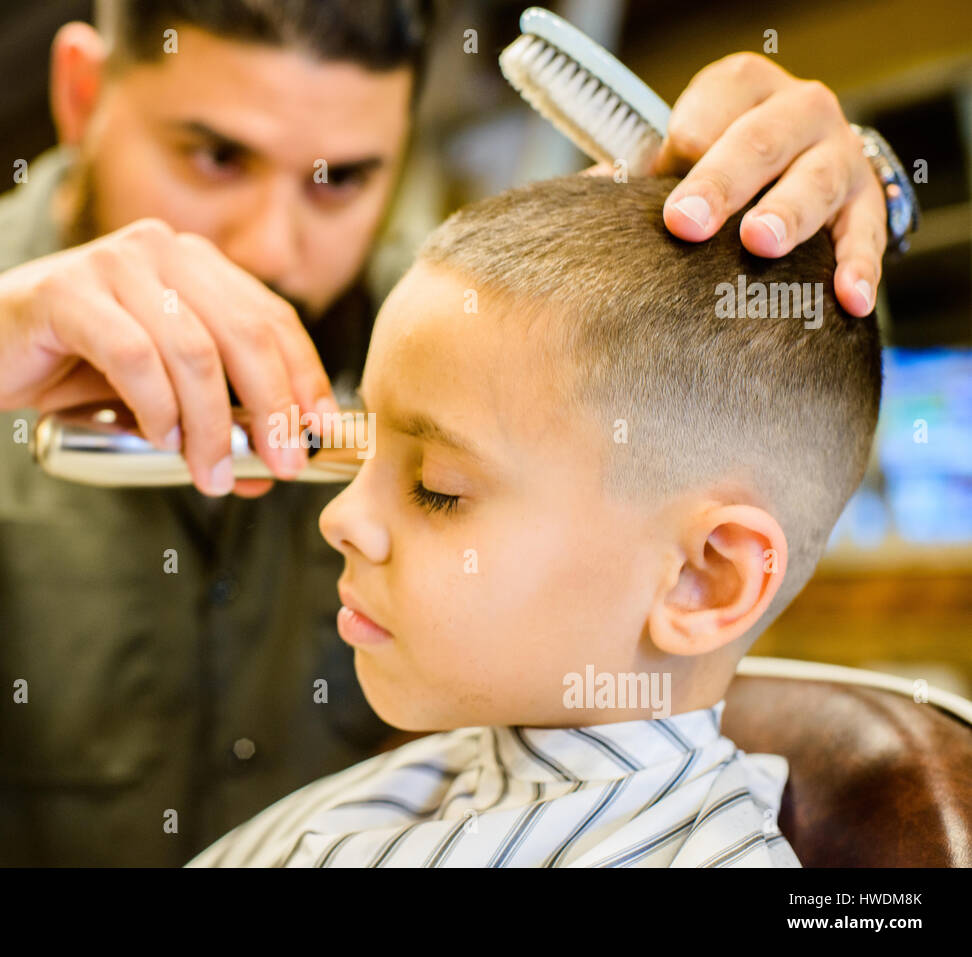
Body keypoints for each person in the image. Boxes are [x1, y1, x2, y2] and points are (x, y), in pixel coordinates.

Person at [0, 1, 896, 865]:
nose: (270, 243)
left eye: (339, 179)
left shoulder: (471, 340)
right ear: (86, 94)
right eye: (213, 155)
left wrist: (834, 222)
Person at [188, 173, 879, 866]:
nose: (341, 518)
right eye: (363, 450)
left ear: (704, 579)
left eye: (437, 488)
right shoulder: (376, 800)